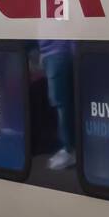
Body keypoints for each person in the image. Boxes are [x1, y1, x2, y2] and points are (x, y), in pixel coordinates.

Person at [39, 39, 76, 170]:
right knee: (61, 103)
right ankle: (68, 147)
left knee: (61, 103)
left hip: (57, 52)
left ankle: (69, 149)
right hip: (51, 53)